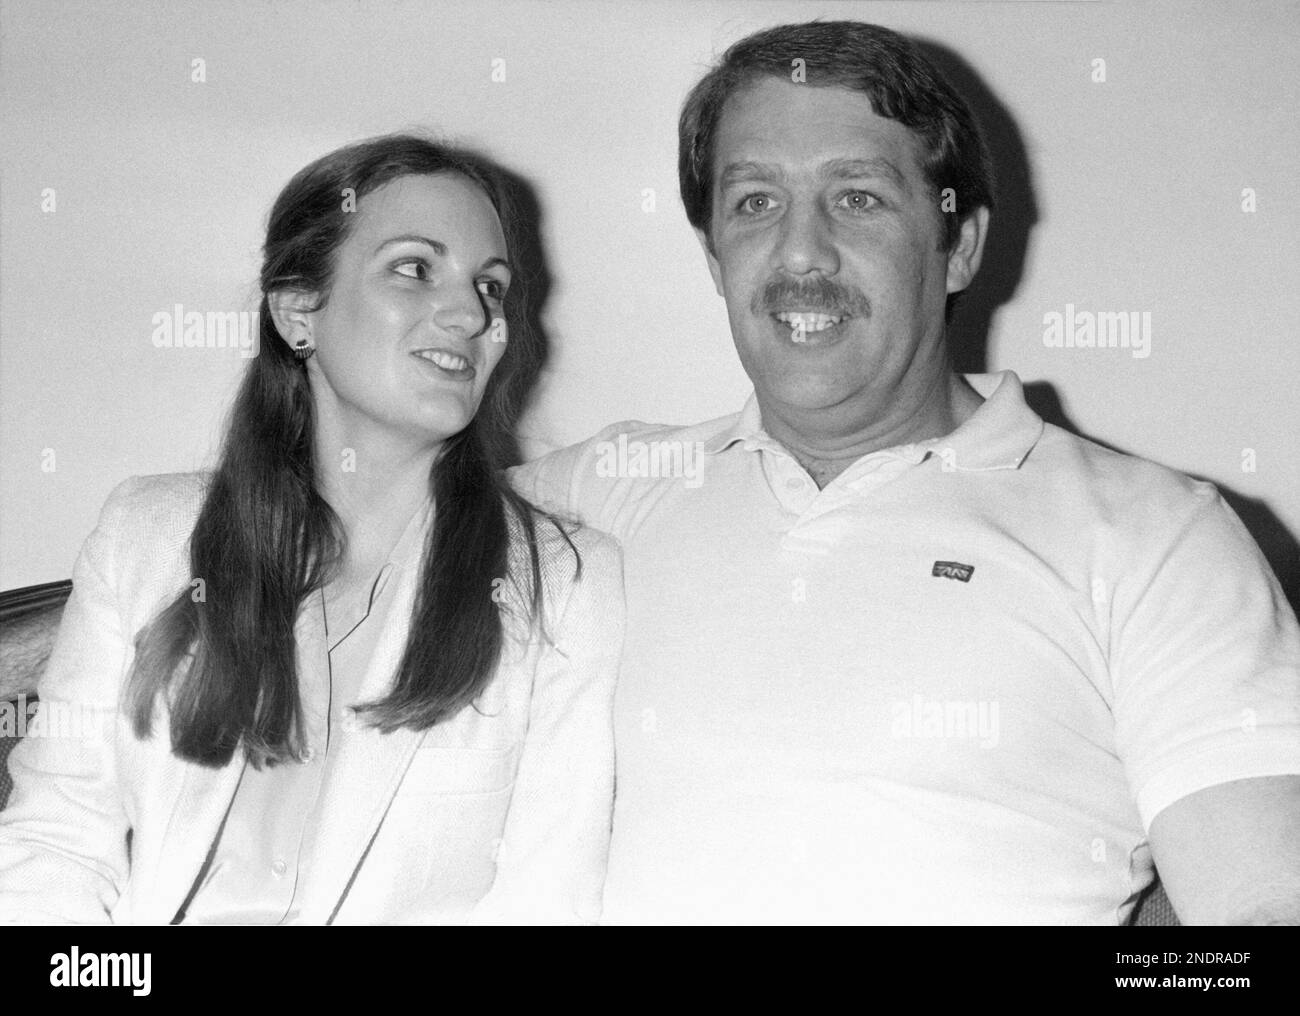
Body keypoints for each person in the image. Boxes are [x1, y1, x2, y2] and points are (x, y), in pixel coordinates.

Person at [512, 21, 1300, 924]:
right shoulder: (604, 492)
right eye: (755, 203)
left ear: (958, 246)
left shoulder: (1157, 536)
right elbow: (355, 529)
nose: (800, 253)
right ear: (713, 260)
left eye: (857, 199)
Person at [0, 134, 624, 925]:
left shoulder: (566, 587)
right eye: (414, 267)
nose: (472, 313)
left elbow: (545, 903)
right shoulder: (145, 536)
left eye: (491, 286)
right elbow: (53, 845)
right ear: (299, 310)